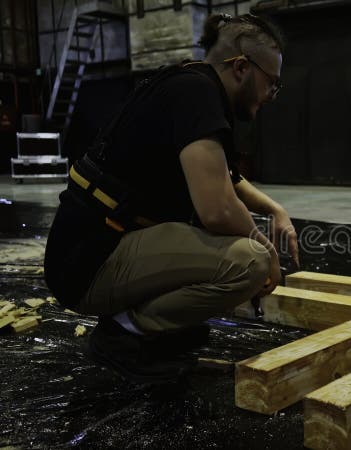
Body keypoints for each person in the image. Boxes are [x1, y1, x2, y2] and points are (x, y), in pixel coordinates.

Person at [44, 13, 299, 383]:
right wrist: (269, 250)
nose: (271, 95)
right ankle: (123, 335)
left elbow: (226, 177)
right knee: (249, 261)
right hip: (89, 263)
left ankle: (152, 328)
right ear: (242, 68)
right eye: (271, 83)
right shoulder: (198, 94)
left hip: (91, 248)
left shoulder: (190, 82)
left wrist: (274, 209)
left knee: (223, 239)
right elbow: (218, 209)